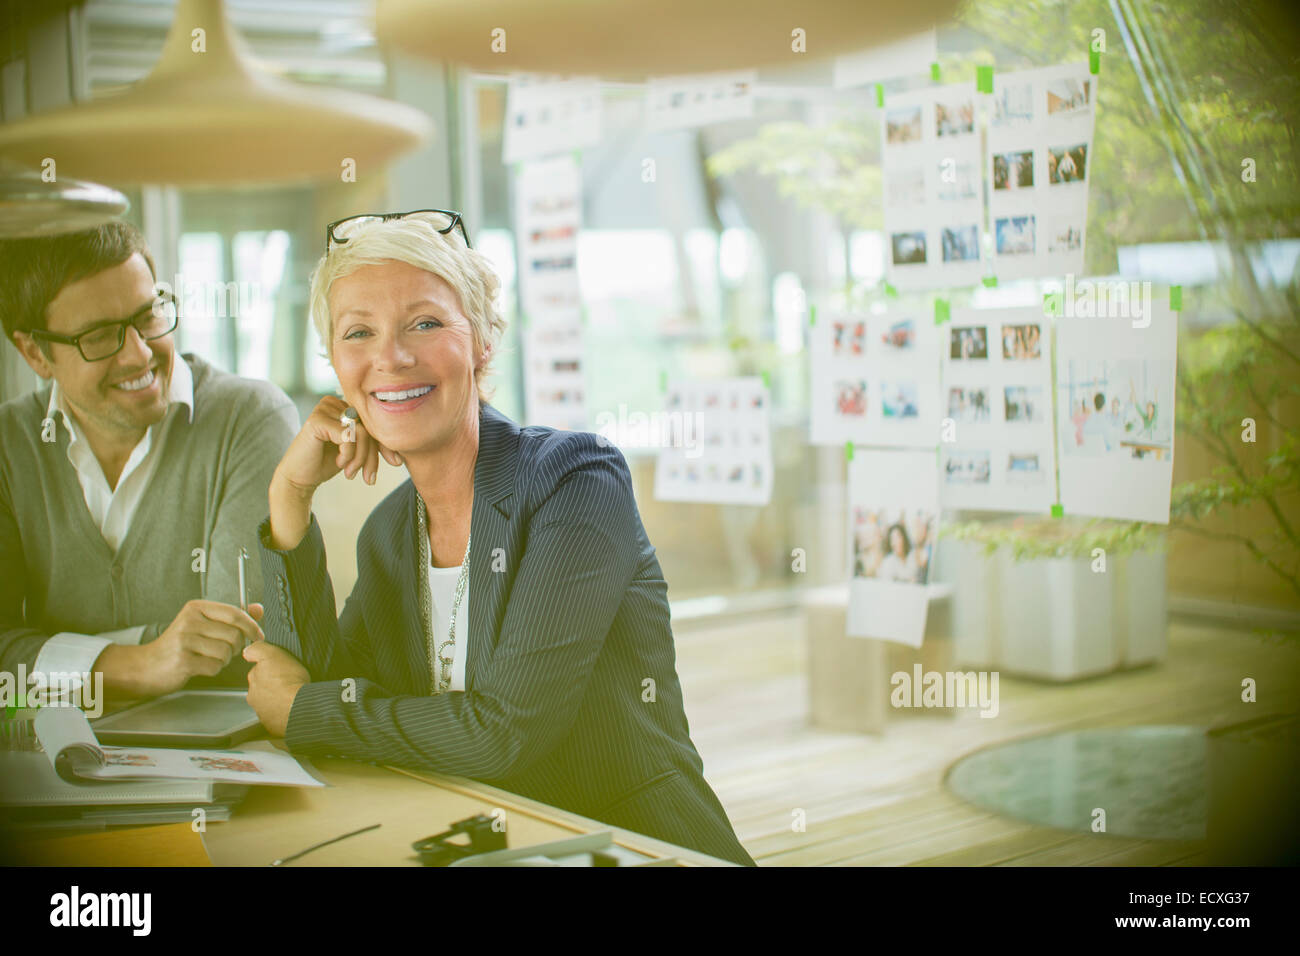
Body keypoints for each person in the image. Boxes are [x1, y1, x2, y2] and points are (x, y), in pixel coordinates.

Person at [241, 210, 754, 867]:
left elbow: (506, 731)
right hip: (482, 848)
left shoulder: (574, 479)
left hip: (632, 846)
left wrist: (306, 711)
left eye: (424, 324)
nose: (391, 357)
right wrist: (290, 498)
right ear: (337, 367)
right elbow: (317, 694)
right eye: (358, 332)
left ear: (482, 342)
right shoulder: (391, 534)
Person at [0, 222, 297, 702]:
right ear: (35, 352)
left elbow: (237, 644)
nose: (139, 355)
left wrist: (52, 658)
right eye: (99, 336)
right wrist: (140, 663)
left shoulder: (249, 418)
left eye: (148, 316)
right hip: (48, 761)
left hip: (218, 756)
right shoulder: (9, 446)